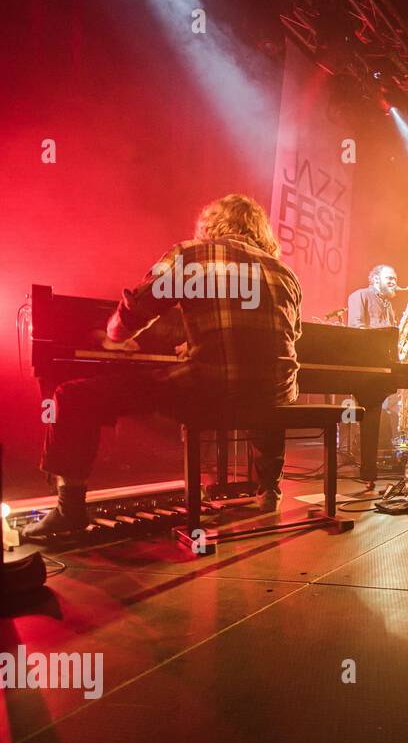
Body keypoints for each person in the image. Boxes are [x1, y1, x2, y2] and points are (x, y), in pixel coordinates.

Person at [25, 194, 302, 539]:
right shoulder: (285, 273)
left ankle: (70, 511)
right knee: (261, 385)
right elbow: (284, 339)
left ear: (212, 226)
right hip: (275, 392)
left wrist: (116, 334)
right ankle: (269, 491)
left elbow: (138, 307)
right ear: (260, 232)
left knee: (73, 396)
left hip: (210, 388)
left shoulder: (191, 255)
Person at [346, 264, 400, 329]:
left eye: (395, 280)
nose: (394, 282)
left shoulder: (388, 304)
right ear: (376, 279)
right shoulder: (360, 295)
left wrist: (407, 329)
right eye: (390, 278)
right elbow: (356, 328)